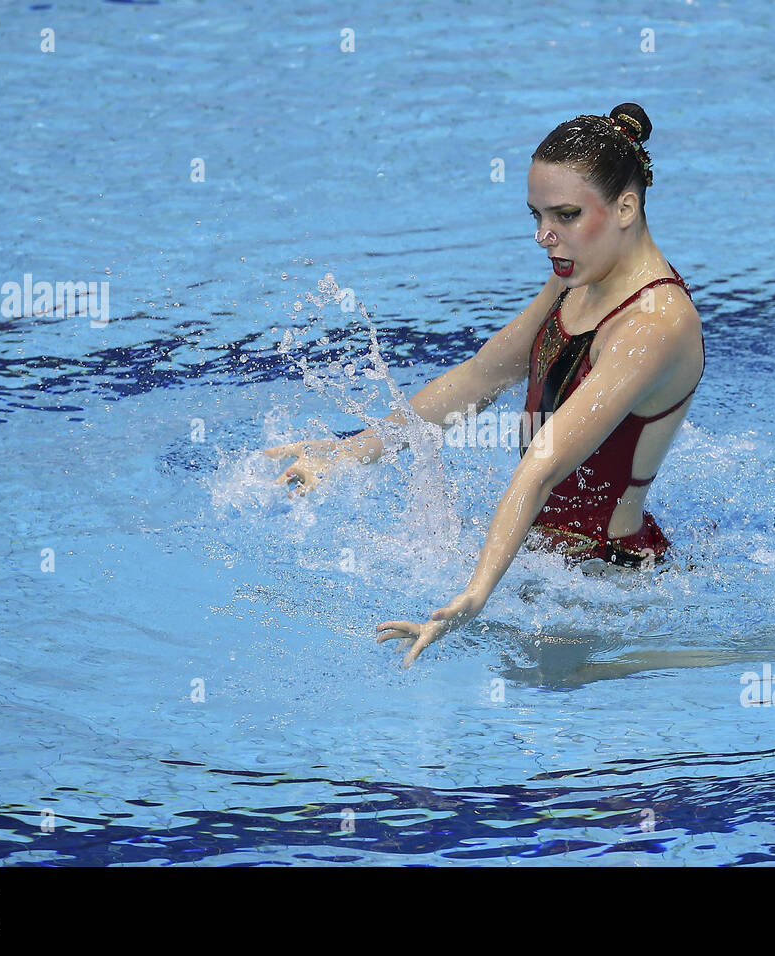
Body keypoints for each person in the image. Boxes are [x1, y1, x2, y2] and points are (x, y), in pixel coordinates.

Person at [264, 103, 706, 666]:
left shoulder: (656, 324)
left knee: (539, 691)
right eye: (537, 216)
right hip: (539, 554)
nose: (545, 236)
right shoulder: (580, 276)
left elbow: (542, 465)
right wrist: (351, 454)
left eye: (566, 215)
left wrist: (475, 595)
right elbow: (483, 375)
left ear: (626, 207)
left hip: (606, 582)